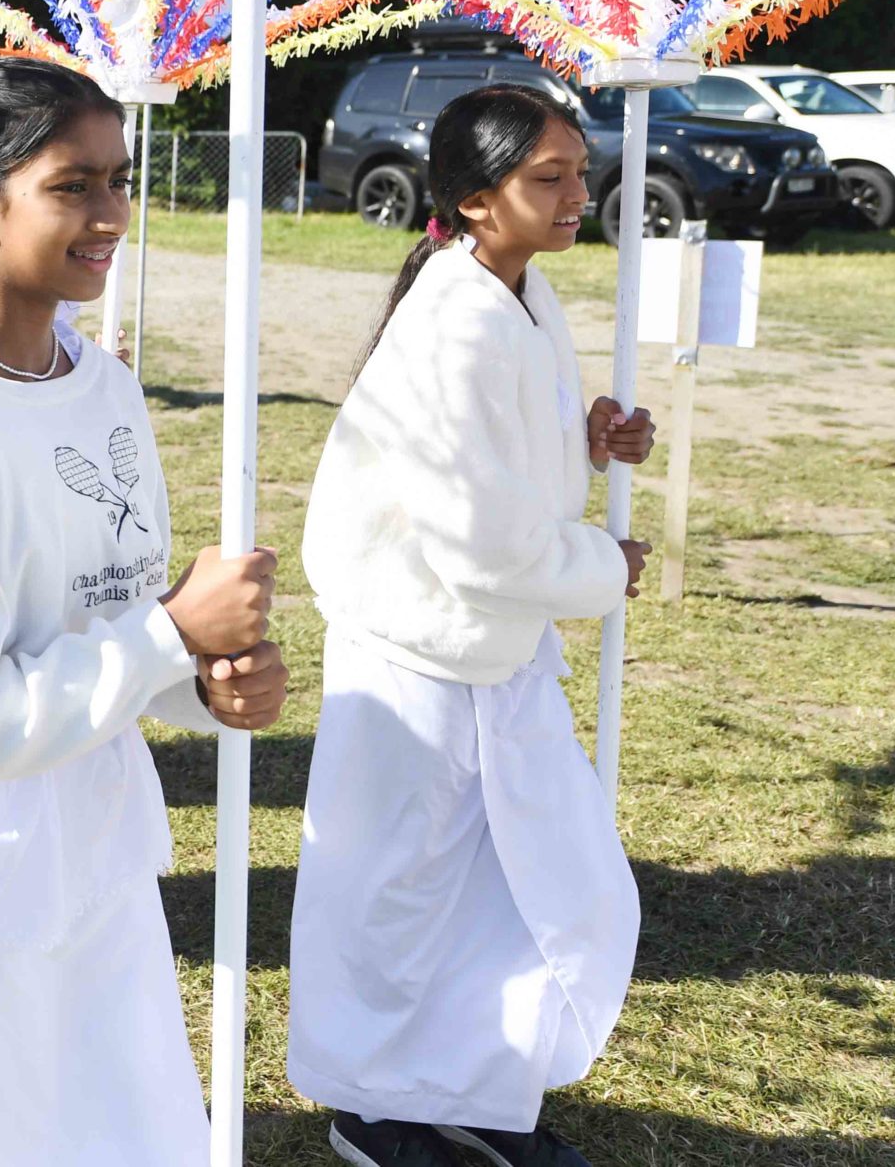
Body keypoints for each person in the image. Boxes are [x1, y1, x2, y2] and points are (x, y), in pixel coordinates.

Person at [0, 60, 289, 1167]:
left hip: (96, 844)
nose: (110, 214)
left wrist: (209, 683)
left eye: (118, 181)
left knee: (115, 1131)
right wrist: (173, 634)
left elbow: (115, 610)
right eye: (72, 186)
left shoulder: (103, 380)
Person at [288, 86, 653, 1167]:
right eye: (550, 177)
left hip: (491, 644)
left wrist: (585, 436)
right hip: (417, 647)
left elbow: (504, 458)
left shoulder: (520, 290)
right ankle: (372, 1107)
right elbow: (476, 533)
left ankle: (469, 1086)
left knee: (512, 881)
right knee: (397, 892)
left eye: (580, 172)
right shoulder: (453, 319)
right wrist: (604, 566)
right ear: (476, 199)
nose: (578, 193)